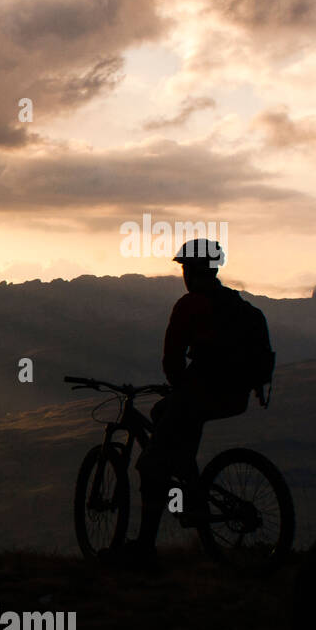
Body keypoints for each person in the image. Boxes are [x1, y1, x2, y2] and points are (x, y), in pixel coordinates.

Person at [120, 239, 252, 564]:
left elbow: (173, 359)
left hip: (201, 395)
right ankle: (192, 486)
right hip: (233, 396)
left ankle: (145, 547)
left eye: (184, 268)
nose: (183, 274)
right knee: (164, 413)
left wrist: (178, 383)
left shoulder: (190, 305)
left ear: (192, 270)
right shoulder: (233, 304)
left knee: (151, 465)